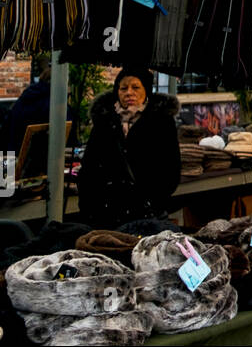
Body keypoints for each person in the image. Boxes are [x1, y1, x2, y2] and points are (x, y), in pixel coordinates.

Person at [77, 66, 181, 227]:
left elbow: (171, 167)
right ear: (116, 92)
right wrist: (90, 207)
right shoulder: (105, 121)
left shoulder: (161, 122)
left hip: (146, 212)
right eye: (123, 88)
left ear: (146, 90)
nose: (129, 93)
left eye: (135, 87)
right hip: (106, 213)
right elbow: (89, 168)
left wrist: (153, 199)